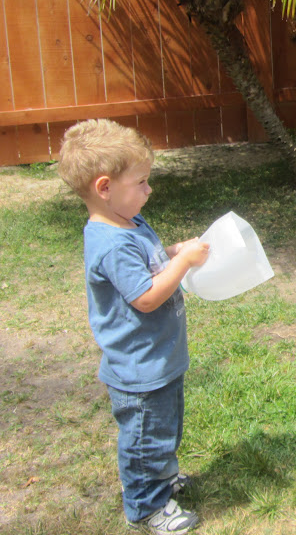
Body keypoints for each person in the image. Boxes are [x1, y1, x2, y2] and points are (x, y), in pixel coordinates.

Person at [58, 119, 210, 533]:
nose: (148, 190)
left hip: (160, 357)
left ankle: (160, 477)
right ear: (104, 187)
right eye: (141, 182)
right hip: (140, 369)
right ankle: (146, 504)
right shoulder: (111, 243)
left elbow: (152, 260)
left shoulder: (131, 223)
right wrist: (182, 264)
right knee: (145, 438)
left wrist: (176, 251)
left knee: (164, 429)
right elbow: (145, 297)